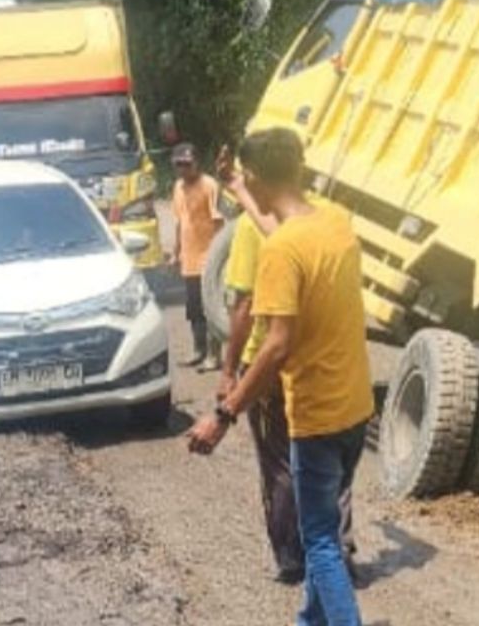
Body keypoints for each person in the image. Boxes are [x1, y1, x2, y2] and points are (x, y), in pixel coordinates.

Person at [188, 127, 373, 626]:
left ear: (254, 173)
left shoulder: (280, 253)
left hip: (316, 416)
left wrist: (223, 415)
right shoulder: (335, 223)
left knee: (319, 541)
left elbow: (275, 346)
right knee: (325, 527)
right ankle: (311, 620)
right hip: (356, 409)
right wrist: (241, 191)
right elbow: (282, 228)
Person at [217, 170, 356, 586]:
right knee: (328, 460)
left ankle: (293, 559)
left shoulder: (248, 226)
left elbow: (243, 304)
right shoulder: (333, 215)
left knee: (279, 463)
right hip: (321, 360)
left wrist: (229, 372)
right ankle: (338, 549)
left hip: (270, 362)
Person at [169, 143, 223, 369]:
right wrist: (175, 253)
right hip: (189, 261)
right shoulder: (178, 187)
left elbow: (219, 222)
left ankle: (213, 355)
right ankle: (198, 350)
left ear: (197, 163)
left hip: (209, 259)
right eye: (178, 165)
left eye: (187, 164)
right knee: (193, 310)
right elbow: (179, 222)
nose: (183, 169)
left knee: (211, 310)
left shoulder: (209, 185)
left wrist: (219, 257)